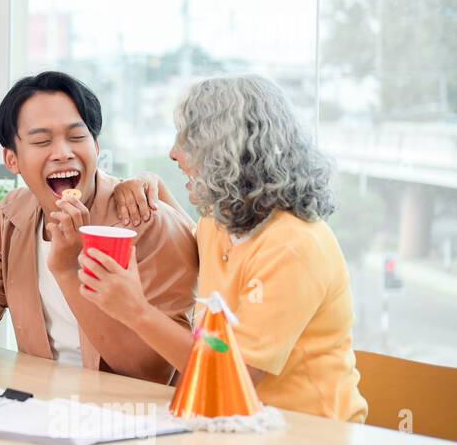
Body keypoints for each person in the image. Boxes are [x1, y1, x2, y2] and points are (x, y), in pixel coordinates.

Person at [78, 75, 367, 422]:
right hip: (238, 425)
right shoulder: (222, 224)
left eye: (186, 140)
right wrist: (146, 183)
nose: (172, 153)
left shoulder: (294, 246)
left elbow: (234, 375)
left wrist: (136, 310)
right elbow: (186, 233)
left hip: (311, 439)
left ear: (225, 150)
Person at [0, 72, 199, 384]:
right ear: (12, 159)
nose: (63, 152)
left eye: (77, 137)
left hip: (131, 420)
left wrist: (69, 269)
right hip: (40, 408)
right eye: (41, 141)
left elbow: (151, 374)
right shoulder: (7, 220)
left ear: (96, 146)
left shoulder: (145, 221)